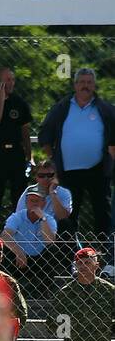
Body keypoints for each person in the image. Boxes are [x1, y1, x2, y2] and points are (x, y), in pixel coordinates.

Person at [38, 68, 115, 246]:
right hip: (67, 171)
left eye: (89, 82)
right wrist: (53, 161)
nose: (85, 86)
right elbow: (45, 134)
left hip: (98, 171)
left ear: (94, 85)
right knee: (68, 216)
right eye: (81, 82)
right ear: (75, 85)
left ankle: (105, 259)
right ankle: (70, 258)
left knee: (103, 214)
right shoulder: (61, 107)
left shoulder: (105, 109)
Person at [53, 248, 115, 341]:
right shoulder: (66, 293)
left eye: (87, 262)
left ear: (96, 265)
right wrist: (71, 333)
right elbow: (54, 322)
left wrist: (106, 330)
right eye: (79, 263)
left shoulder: (108, 291)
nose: (83, 266)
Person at [0, 67, 33, 214]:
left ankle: (18, 232)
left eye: (12, 79)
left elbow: (25, 132)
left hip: (16, 153)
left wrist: (30, 157)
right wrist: (1, 99)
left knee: (19, 196)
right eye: (7, 79)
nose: (11, 83)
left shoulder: (20, 103)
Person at [1, 186, 59, 301]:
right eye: (31, 200)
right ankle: (8, 291)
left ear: (44, 203)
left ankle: (43, 292)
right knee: (5, 250)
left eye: (37, 201)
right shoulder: (17, 217)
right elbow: (5, 236)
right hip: (19, 258)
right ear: (26, 202)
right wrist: (18, 252)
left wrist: (42, 219)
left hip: (40, 259)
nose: (34, 203)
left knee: (53, 250)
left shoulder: (49, 219)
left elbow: (50, 241)